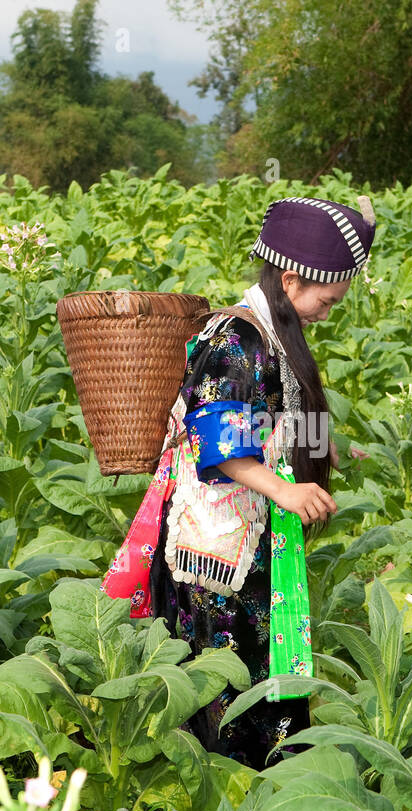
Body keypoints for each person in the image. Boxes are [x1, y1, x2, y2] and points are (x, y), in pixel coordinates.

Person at [104, 195, 377, 766]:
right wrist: (285, 488)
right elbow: (219, 438)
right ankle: (223, 787)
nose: (326, 312)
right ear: (291, 278)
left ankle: (261, 782)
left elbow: (272, 416)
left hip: (249, 538)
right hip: (218, 546)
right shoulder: (238, 337)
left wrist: (329, 445)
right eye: (326, 300)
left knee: (256, 661)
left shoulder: (272, 335)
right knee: (224, 667)